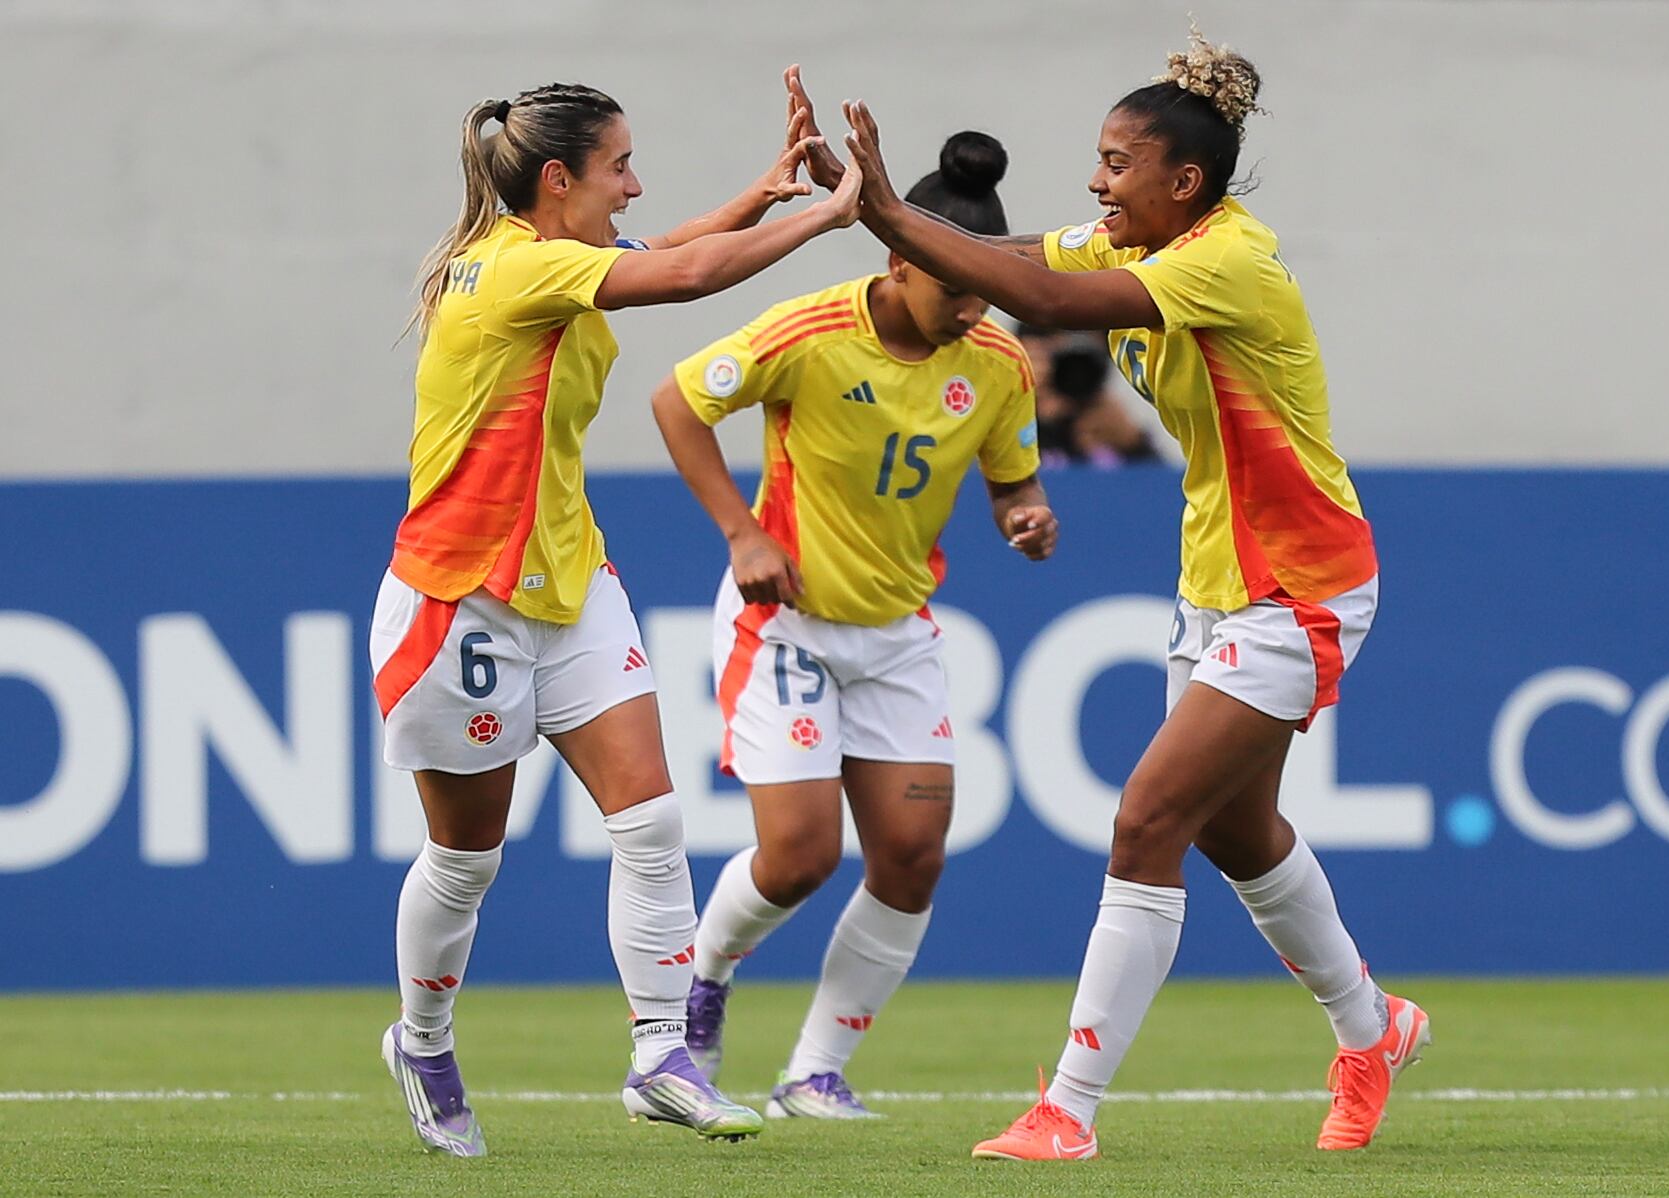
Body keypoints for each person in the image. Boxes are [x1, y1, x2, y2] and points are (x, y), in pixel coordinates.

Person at [797, 23, 1429, 1160]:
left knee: (1146, 820)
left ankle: (1068, 1111)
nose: (1096, 180)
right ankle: (1373, 1030)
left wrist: (888, 214)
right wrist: (875, 205)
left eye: (1117, 164)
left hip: (1300, 584)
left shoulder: (1220, 259)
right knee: (1240, 834)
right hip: (1219, 577)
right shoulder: (1146, 236)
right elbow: (1030, 261)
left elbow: (1045, 301)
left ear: (1183, 183)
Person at [370, 79, 862, 1156]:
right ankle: (424, 1038)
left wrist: (765, 195)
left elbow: (669, 246)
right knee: (465, 861)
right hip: (461, 598)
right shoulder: (517, 270)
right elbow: (679, 276)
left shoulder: (548, 256)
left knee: (650, 820)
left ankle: (659, 1058)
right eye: (619, 166)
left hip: (569, 579)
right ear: (558, 181)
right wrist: (833, 214)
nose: (635, 183)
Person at [649, 127, 1057, 1119]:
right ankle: (699, 983)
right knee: (798, 855)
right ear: (897, 262)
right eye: (954, 288)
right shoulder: (810, 332)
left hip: (897, 632)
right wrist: (743, 533)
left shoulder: (998, 362)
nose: (972, 307)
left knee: (912, 857)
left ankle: (814, 1069)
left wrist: (1024, 516)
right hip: (786, 623)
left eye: (984, 291)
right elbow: (674, 399)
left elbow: (1015, 479)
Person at [1014, 324, 1163, 466]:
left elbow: (1157, 484)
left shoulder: (1104, 419)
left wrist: (1133, 445)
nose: (1074, 374)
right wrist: (1027, 410)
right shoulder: (1012, 415)